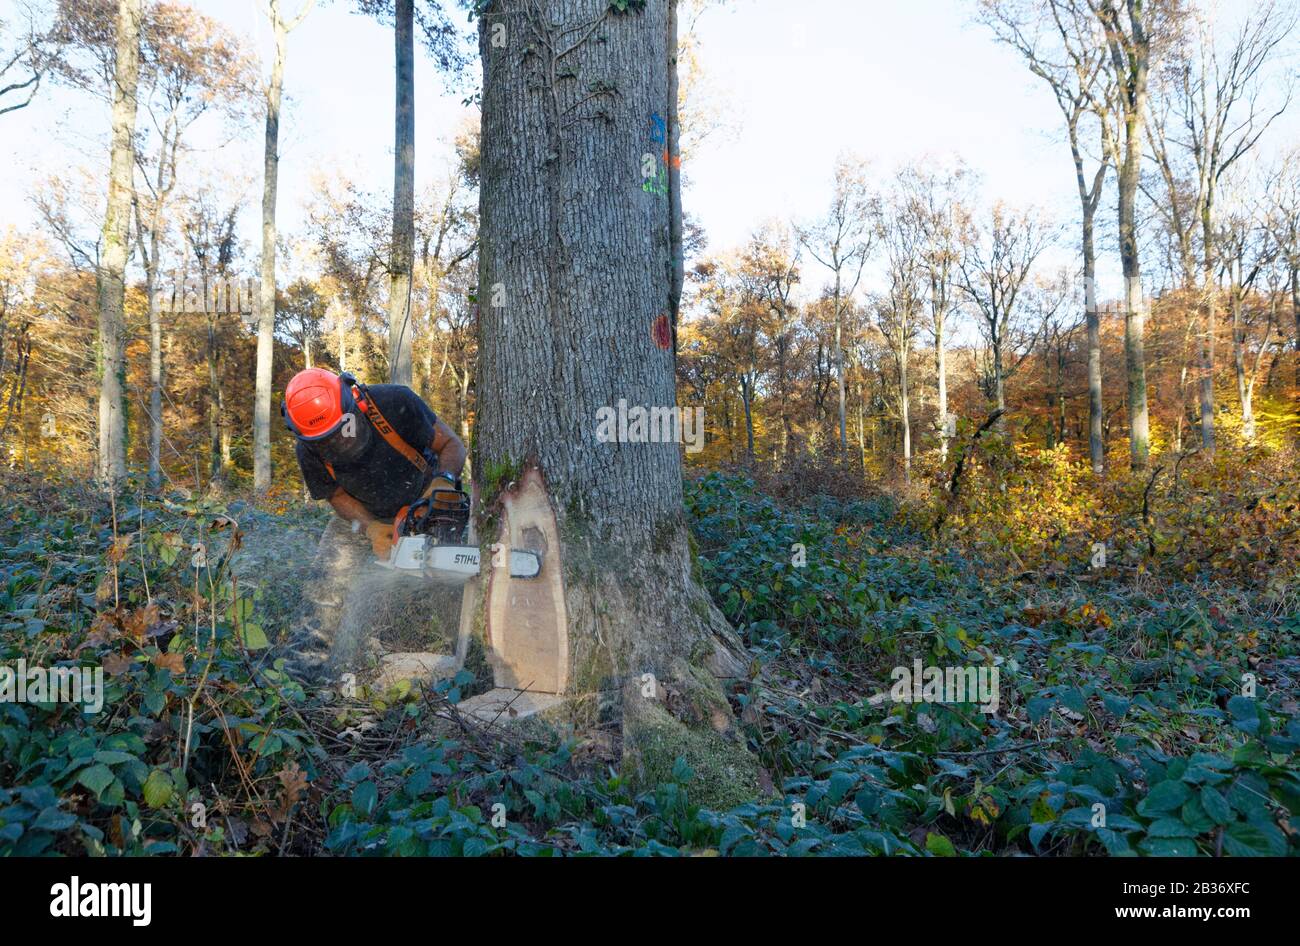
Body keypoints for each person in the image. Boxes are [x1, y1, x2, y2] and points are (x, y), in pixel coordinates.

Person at [278, 368, 466, 681]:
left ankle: (467, 663)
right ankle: (303, 674)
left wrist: (442, 483)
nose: (337, 442)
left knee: (453, 584)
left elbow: (451, 445)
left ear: (353, 401)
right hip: (366, 514)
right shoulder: (308, 448)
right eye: (326, 440)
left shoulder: (393, 403)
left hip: (424, 503)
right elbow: (335, 494)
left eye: (340, 430)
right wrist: (369, 527)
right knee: (326, 584)